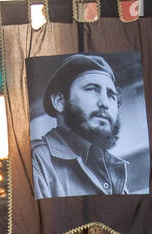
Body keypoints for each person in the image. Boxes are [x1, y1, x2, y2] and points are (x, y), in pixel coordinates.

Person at [31, 54, 130, 199]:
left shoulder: (113, 167)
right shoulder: (37, 160)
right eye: (91, 89)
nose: (104, 103)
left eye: (111, 95)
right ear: (60, 101)